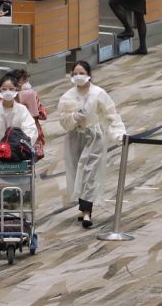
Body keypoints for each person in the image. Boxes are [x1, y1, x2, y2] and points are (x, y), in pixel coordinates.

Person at [57, 61, 125, 229]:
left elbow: (111, 115)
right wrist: (74, 117)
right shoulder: (68, 96)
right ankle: (83, 209)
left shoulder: (98, 94)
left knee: (89, 172)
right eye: (75, 73)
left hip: (94, 137)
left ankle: (87, 212)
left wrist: (118, 134)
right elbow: (63, 120)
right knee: (77, 171)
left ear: (88, 74)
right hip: (75, 137)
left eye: (81, 72)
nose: (78, 76)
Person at [10, 69, 47, 154]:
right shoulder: (9, 96)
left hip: (32, 129)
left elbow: (43, 115)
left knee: (31, 154)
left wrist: (36, 107)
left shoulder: (32, 95)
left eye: (27, 80)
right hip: (16, 130)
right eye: (24, 81)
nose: (27, 83)